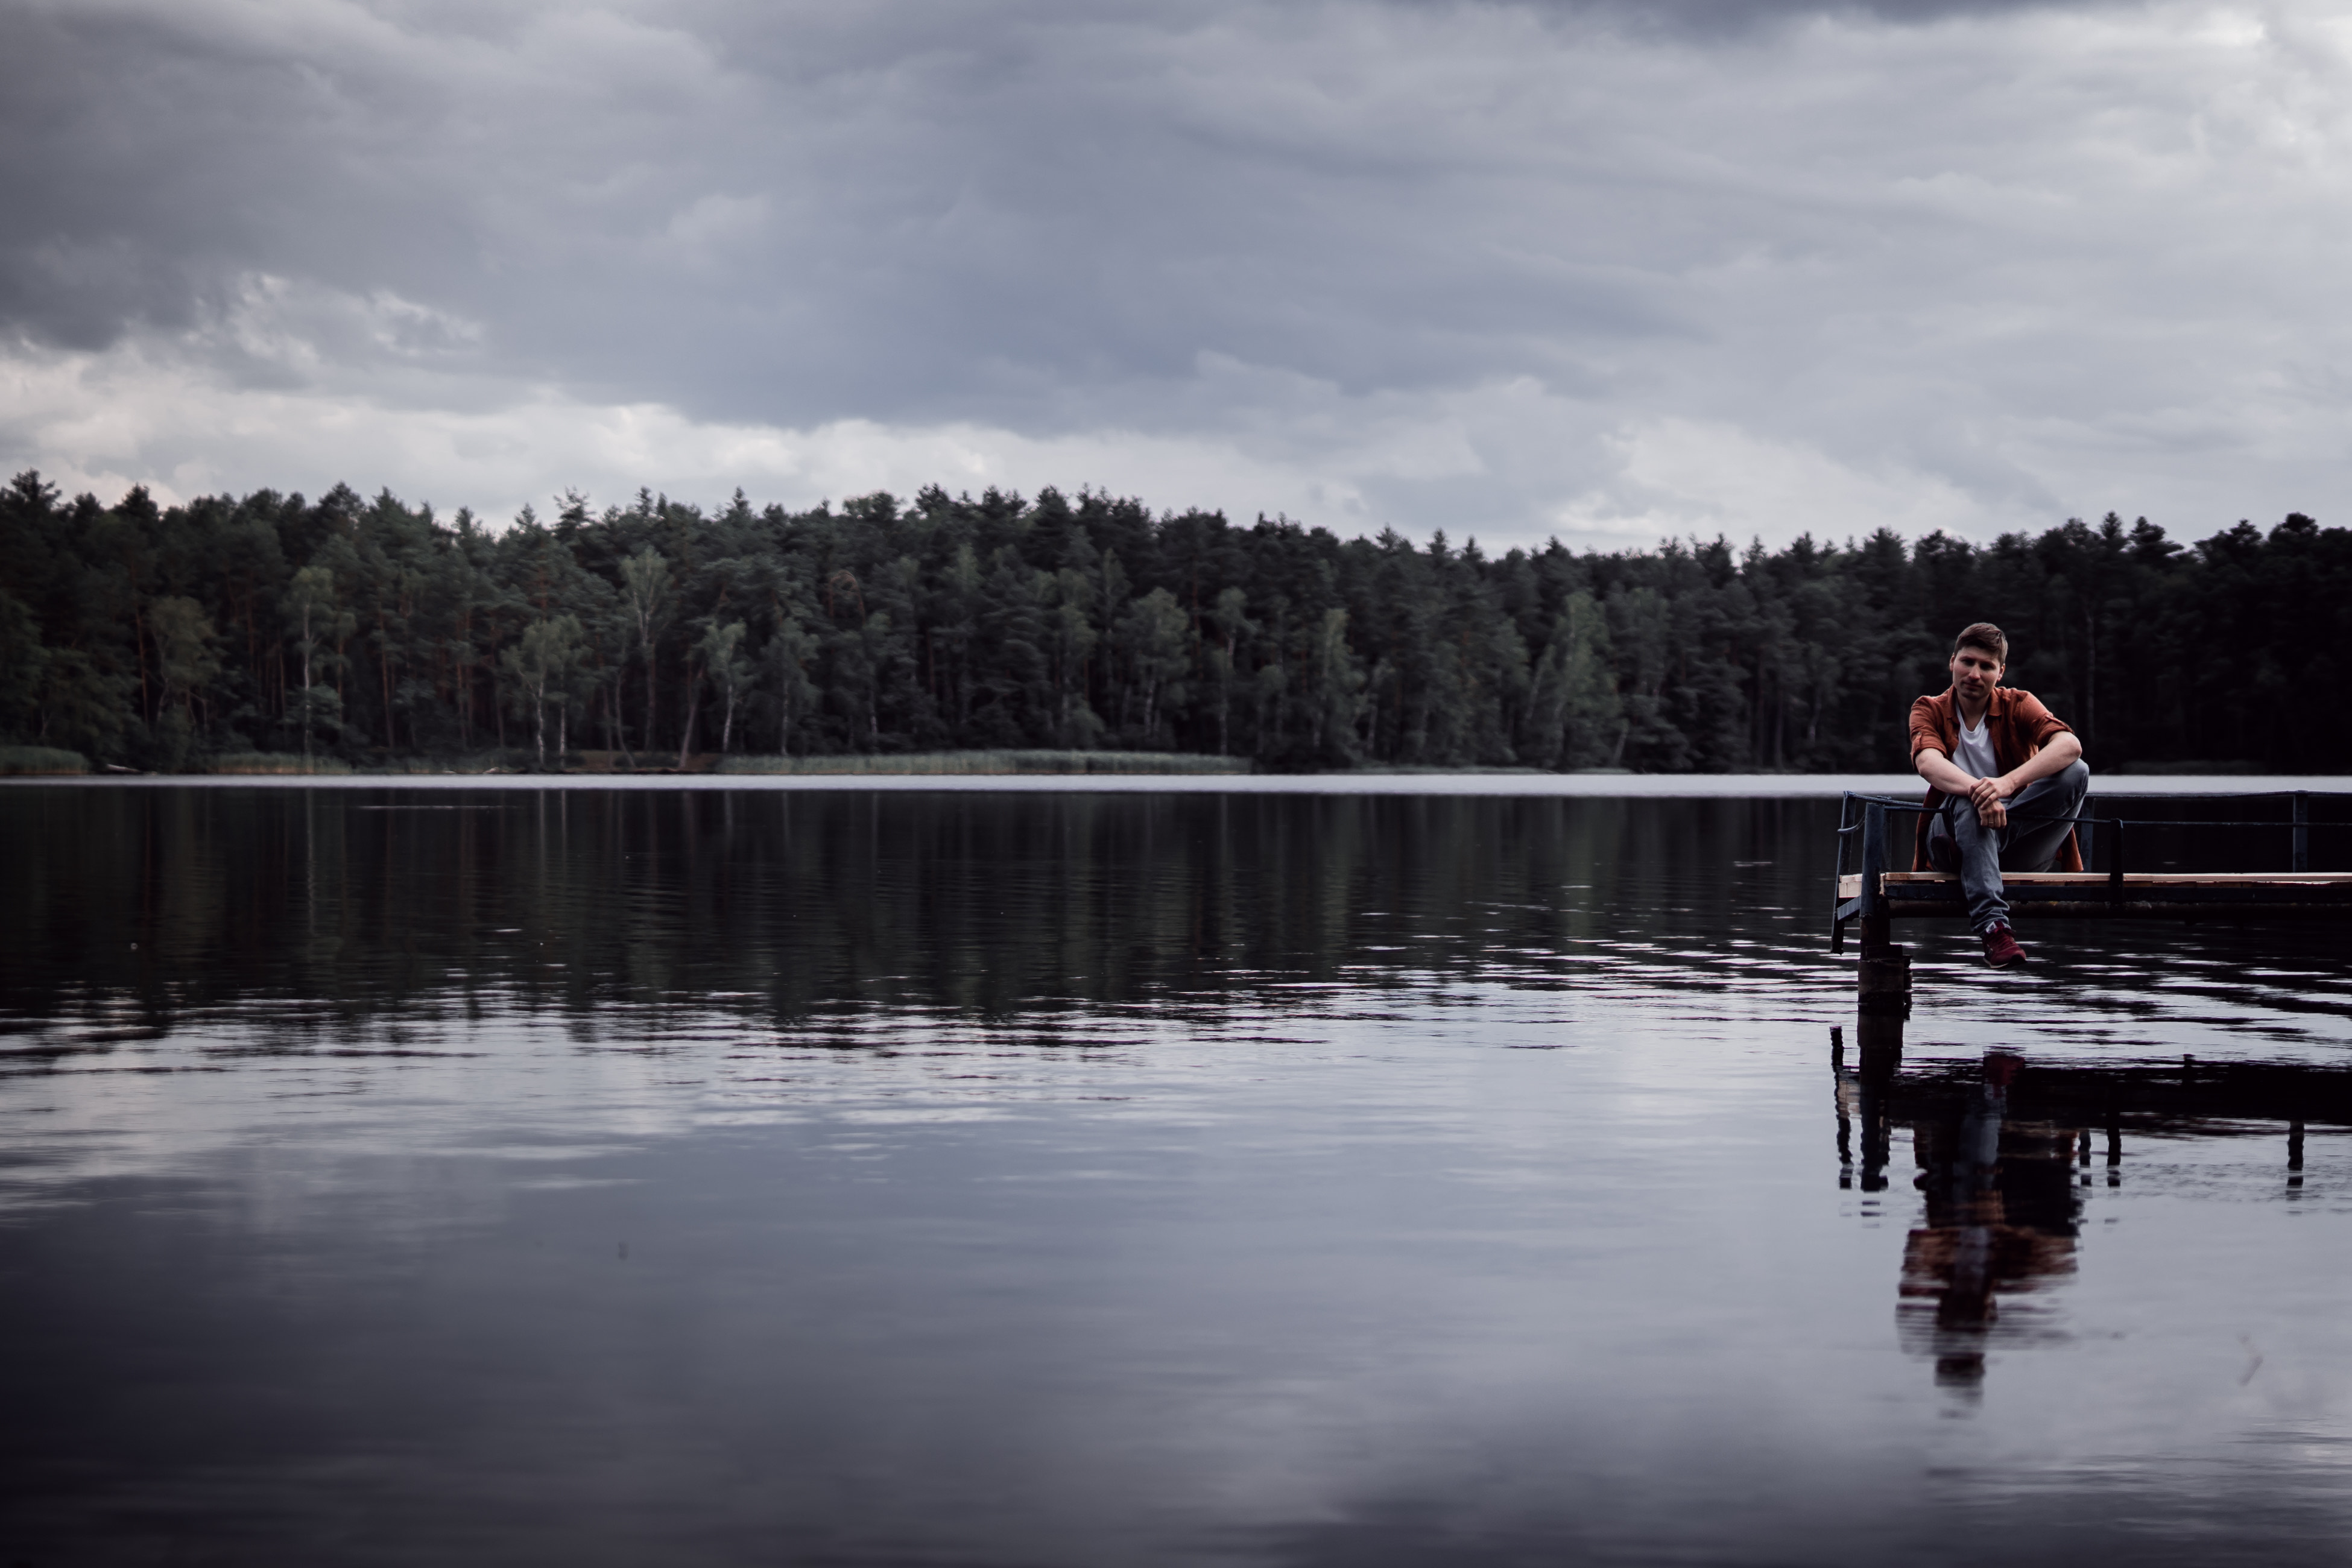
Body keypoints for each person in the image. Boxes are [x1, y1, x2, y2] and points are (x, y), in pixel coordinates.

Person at [1908, 622, 2088, 967]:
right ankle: (1994, 929)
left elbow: (2070, 746)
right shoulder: (1928, 708)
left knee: (2077, 773)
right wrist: (1980, 790)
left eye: (1986, 666)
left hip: (2021, 843)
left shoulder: (2018, 704)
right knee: (1963, 799)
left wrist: (2004, 785)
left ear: (2000, 671)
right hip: (1953, 847)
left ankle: (1993, 843)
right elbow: (1928, 762)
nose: (1974, 674)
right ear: (1952, 662)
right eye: (1968, 662)